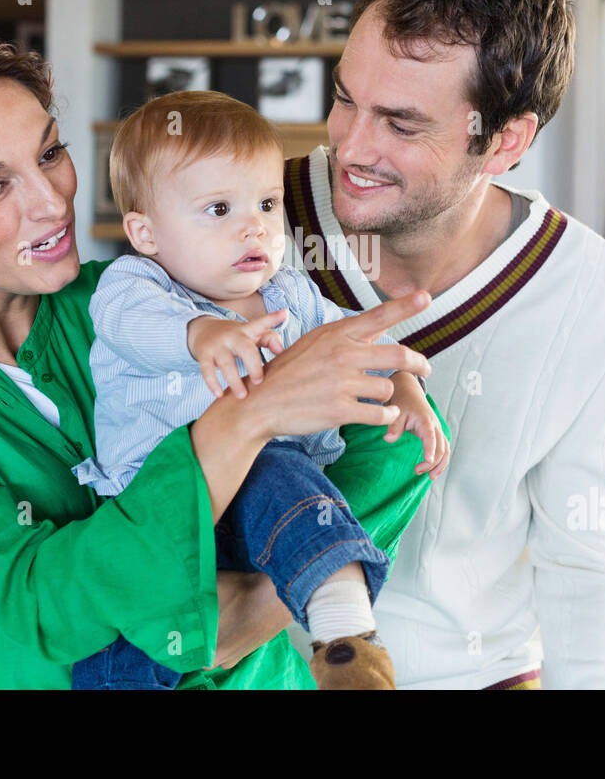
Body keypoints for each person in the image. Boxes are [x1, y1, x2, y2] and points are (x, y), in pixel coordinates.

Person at [0, 11, 439, 690]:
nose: (51, 202)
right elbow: (37, 604)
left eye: (48, 154)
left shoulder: (152, 298)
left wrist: (245, 611)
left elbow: (400, 447)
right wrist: (253, 423)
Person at [278, 0, 605, 688]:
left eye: (402, 124)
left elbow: (586, 564)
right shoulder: (245, 225)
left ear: (505, 142)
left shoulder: (584, 287)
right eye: (346, 98)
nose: (351, 145)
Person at [68, 90, 450, 689]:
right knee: (123, 648)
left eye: (267, 203)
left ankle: (347, 637)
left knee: (289, 481)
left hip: (267, 504)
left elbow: (349, 342)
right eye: (218, 209)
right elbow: (127, 324)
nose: (254, 225)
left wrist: (401, 383)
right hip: (164, 505)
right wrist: (200, 334)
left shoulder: (291, 295)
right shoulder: (136, 285)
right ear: (145, 233)